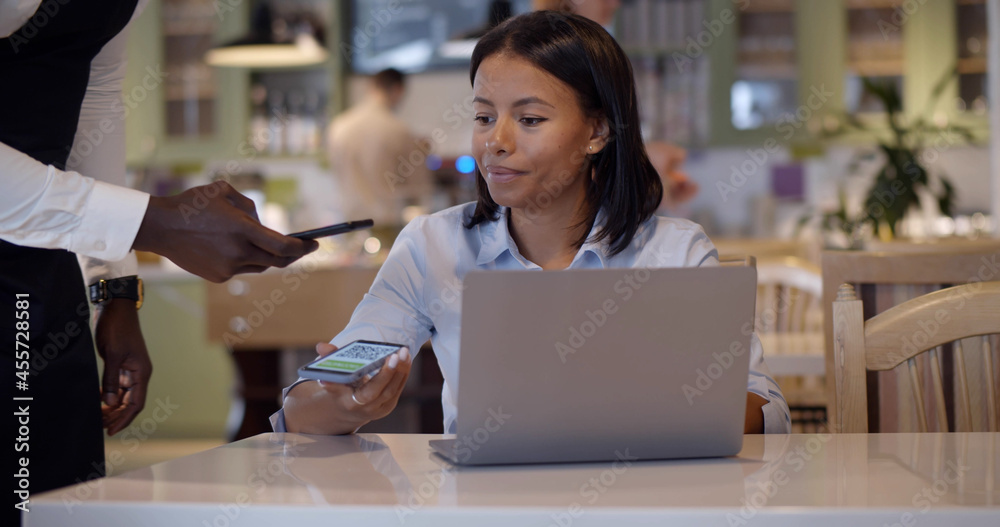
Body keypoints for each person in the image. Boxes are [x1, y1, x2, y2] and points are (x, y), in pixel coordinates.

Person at [276, 12, 789, 437]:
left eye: (530, 119)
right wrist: (348, 406)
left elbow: (767, 412)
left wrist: (662, 412)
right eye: (483, 117)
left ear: (598, 129)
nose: (495, 141)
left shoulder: (675, 254)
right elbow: (297, 412)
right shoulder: (432, 245)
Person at [0, 0, 317, 510]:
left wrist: (114, 289)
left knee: (53, 499)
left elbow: (97, 97)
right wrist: (156, 223)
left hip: (41, 268)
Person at [533, 0, 700, 210]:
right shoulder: (547, 64)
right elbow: (557, 168)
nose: (616, 3)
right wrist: (643, 164)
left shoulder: (590, 59)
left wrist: (647, 179)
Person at [326, 68, 433, 226]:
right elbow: (418, 190)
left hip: (347, 226)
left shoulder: (338, 127)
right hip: (386, 228)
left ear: (371, 86)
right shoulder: (399, 131)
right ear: (398, 90)